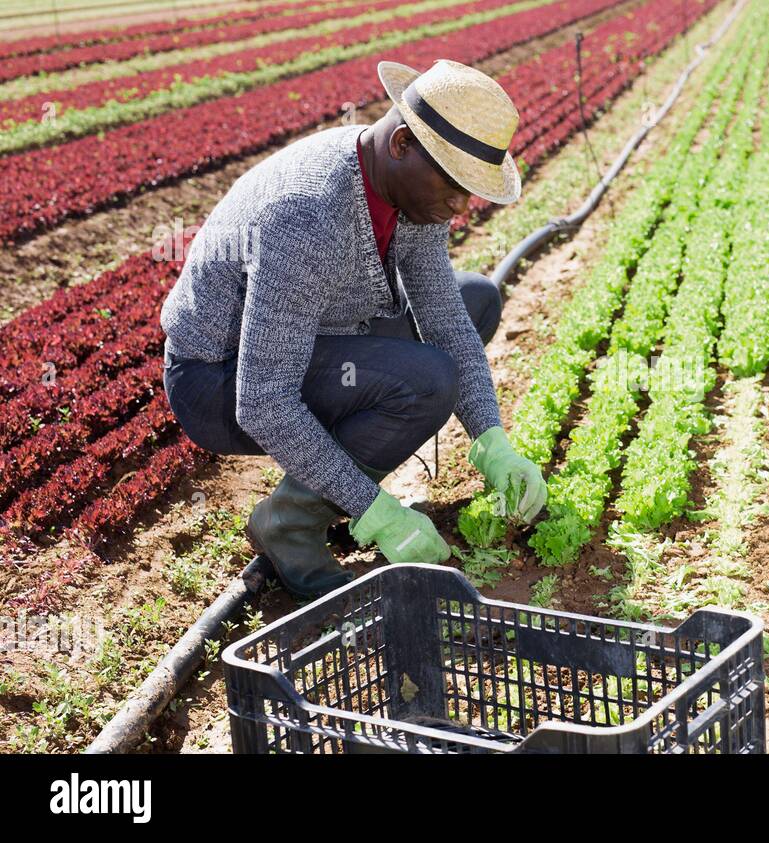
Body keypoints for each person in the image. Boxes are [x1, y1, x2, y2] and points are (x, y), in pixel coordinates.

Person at [159, 59, 546, 598]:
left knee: (474, 300)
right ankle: (289, 524)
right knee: (426, 380)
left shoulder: (408, 190)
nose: (462, 204)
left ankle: (330, 484)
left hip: (319, 342)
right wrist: (376, 512)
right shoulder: (308, 214)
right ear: (404, 143)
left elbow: (445, 317)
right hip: (218, 379)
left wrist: (491, 440)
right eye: (456, 184)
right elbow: (264, 401)